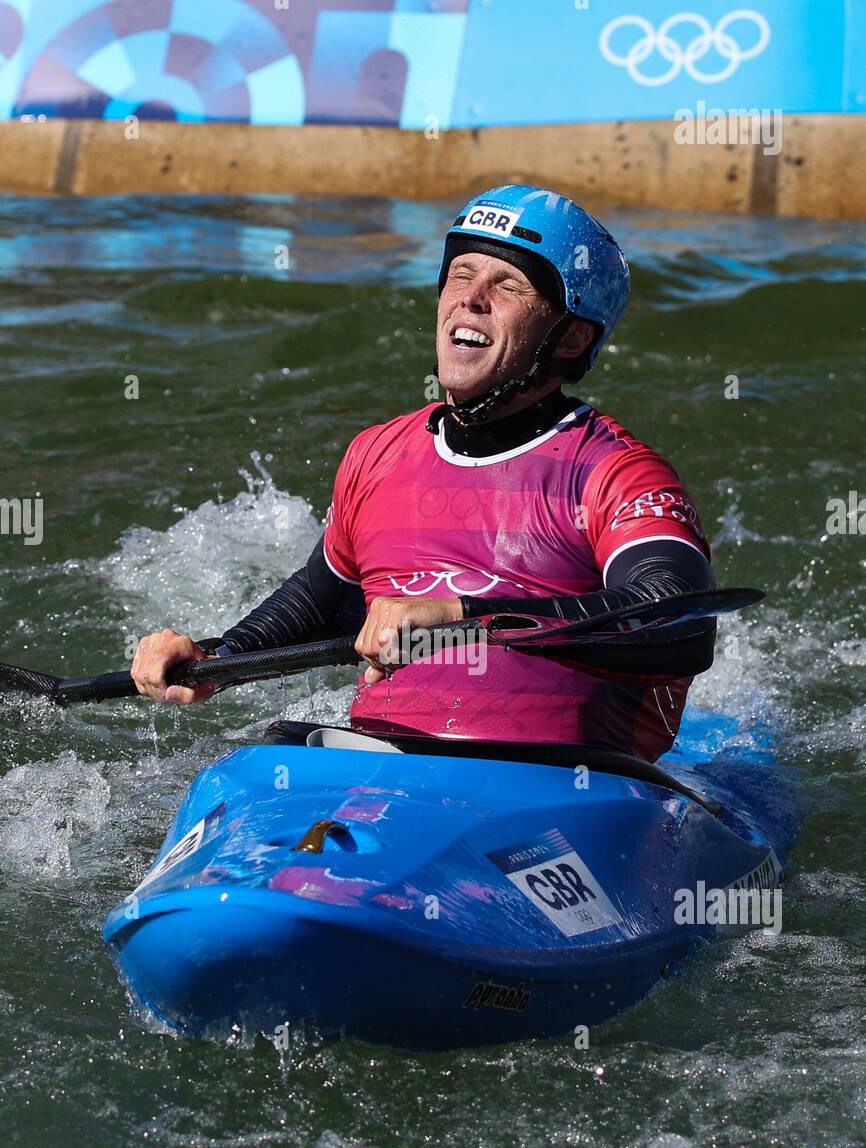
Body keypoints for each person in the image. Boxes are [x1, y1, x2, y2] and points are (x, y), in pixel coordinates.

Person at [132, 184, 714, 760]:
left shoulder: (617, 472)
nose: (471, 299)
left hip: (563, 782)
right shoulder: (377, 452)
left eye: (507, 284)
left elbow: (677, 621)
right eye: (461, 275)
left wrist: (467, 617)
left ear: (571, 338)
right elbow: (325, 603)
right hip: (387, 770)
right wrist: (221, 657)